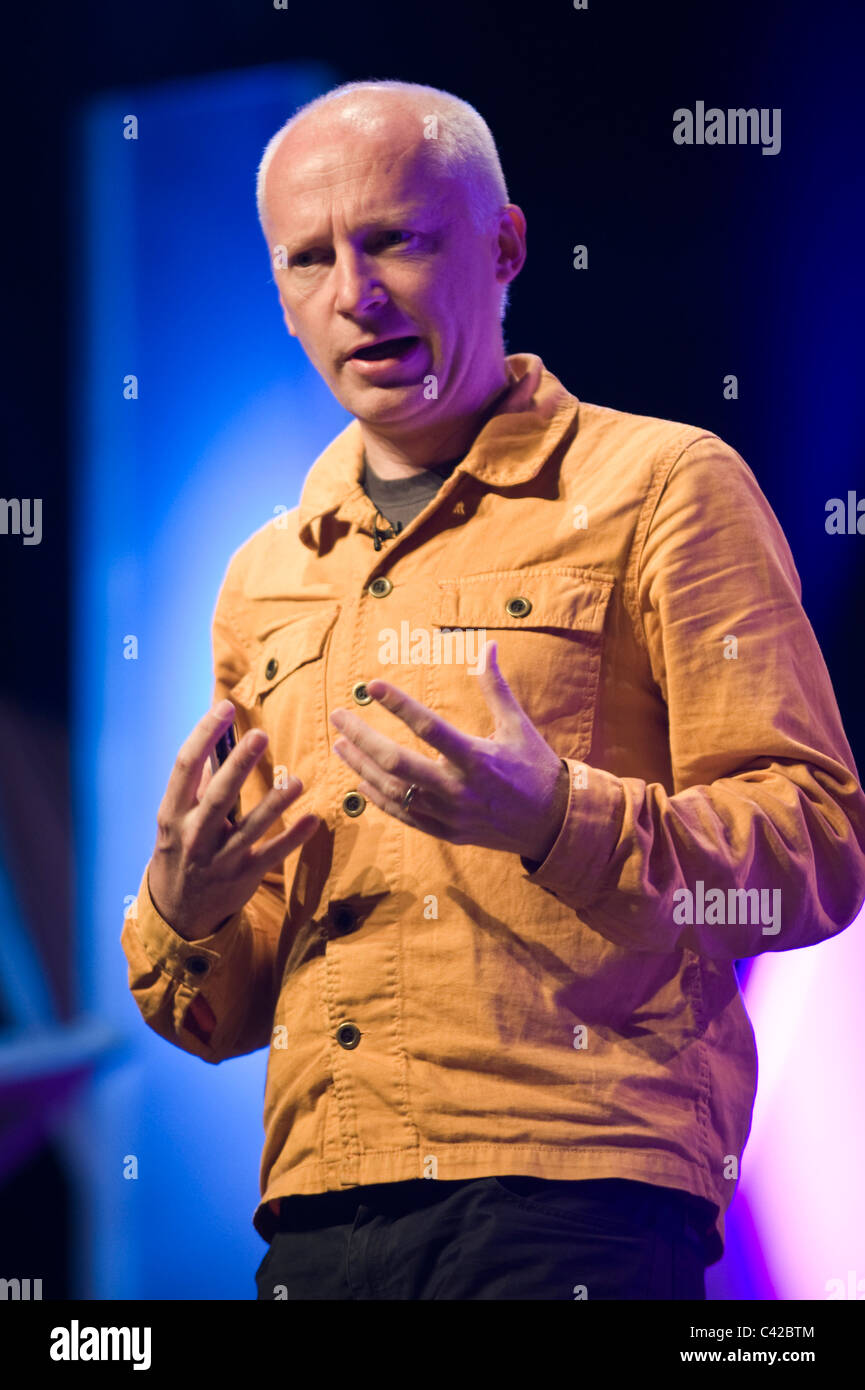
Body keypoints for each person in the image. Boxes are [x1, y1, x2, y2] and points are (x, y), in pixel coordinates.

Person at [120, 79, 865, 1301]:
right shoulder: (265, 575)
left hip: (574, 1202)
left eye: (396, 240)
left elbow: (819, 850)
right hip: (315, 1215)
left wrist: (558, 820)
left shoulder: (665, 485)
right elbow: (220, 1009)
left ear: (505, 245)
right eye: (311, 258)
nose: (356, 294)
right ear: (281, 297)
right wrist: (185, 910)